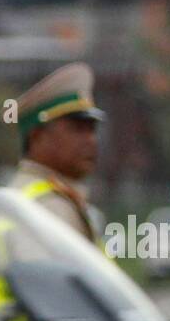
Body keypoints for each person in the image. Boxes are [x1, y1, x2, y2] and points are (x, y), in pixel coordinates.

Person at [9, 61, 106, 241]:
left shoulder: (47, 197)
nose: (91, 140)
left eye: (92, 130)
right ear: (37, 136)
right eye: (77, 129)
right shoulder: (43, 207)